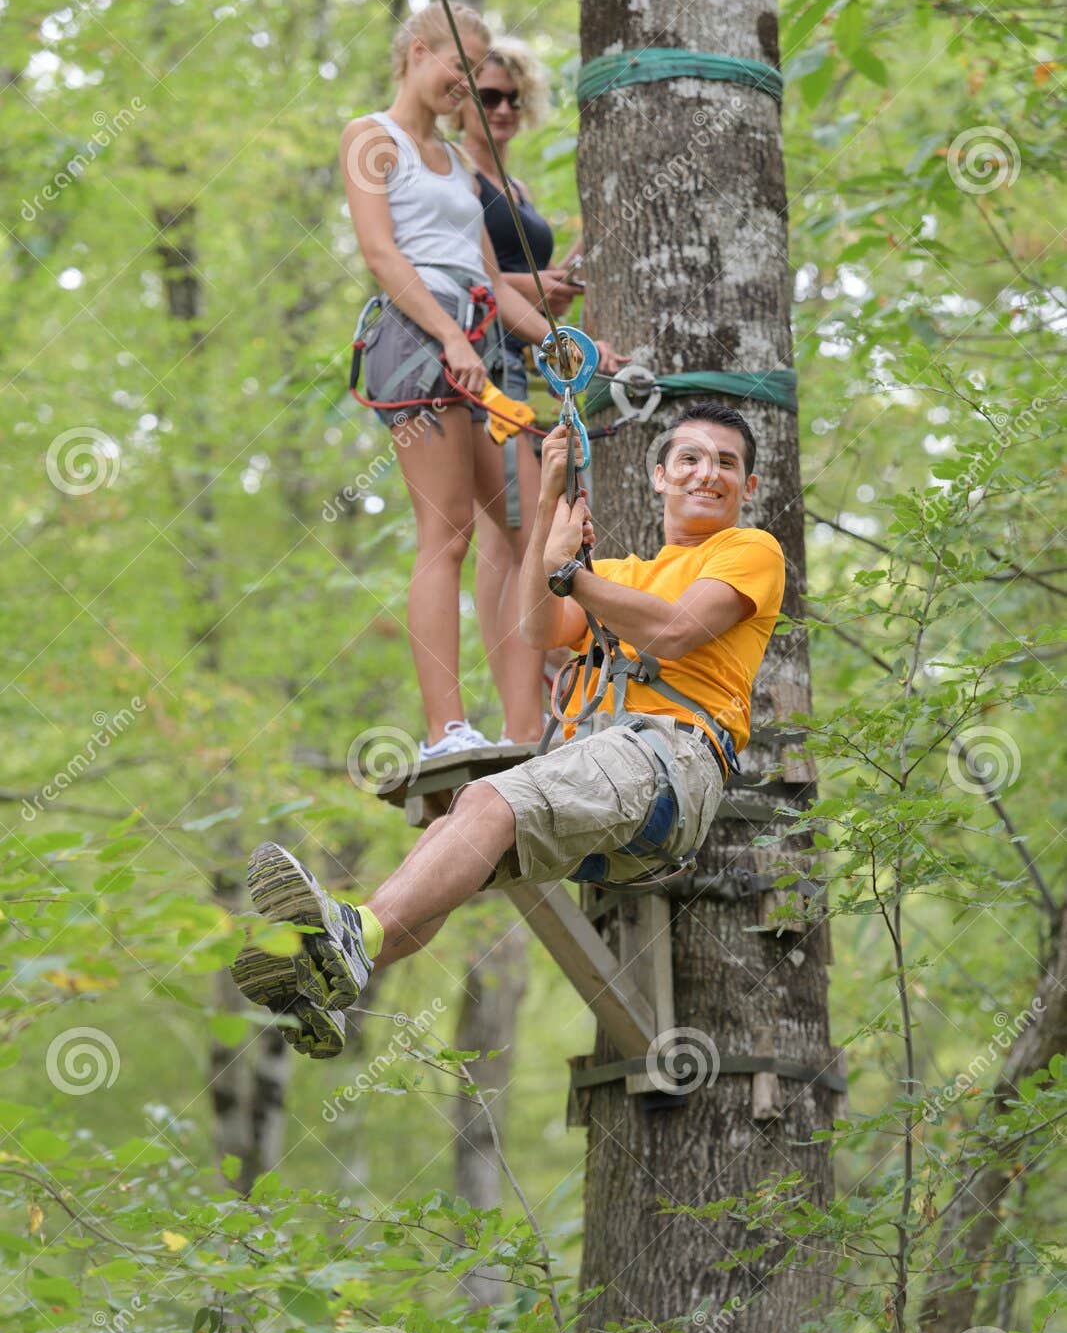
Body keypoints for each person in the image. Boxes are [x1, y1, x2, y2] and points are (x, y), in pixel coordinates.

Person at [232, 401, 787, 1058]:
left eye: (725, 464)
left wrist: (570, 575)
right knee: (450, 838)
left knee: (486, 800)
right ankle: (326, 980)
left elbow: (673, 631)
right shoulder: (616, 577)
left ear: (747, 488)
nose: (707, 474)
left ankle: (350, 934)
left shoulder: (750, 550)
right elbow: (537, 629)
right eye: (689, 459)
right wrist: (549, 506)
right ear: (659, 476)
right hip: (615, 781)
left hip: (667, 761)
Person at [341, 1, 613, 760]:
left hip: (481, 344)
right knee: (448, 532)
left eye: (477, 71)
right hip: (417, 343)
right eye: (459, 68)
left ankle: (531, 729)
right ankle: (443, 731)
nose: (467, 86)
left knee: (534, 531)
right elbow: (382, 255)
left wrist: (570, 345)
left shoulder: (459, 167)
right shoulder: (372, 137)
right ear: (418, 51)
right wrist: (446, 336)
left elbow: (495, 282)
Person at [455, 38, 586, 745]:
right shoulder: (455, 177)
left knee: (518, 535)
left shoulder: (516, 188)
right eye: (487, 97)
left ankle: (536, 713)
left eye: (512, 98)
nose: (502, 110)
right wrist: (540, 298)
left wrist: (550, 293)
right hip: (484, 361)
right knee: (512, 537)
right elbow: (472, 278)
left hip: (525, 361)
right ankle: (518, 725)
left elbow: (515, 281)